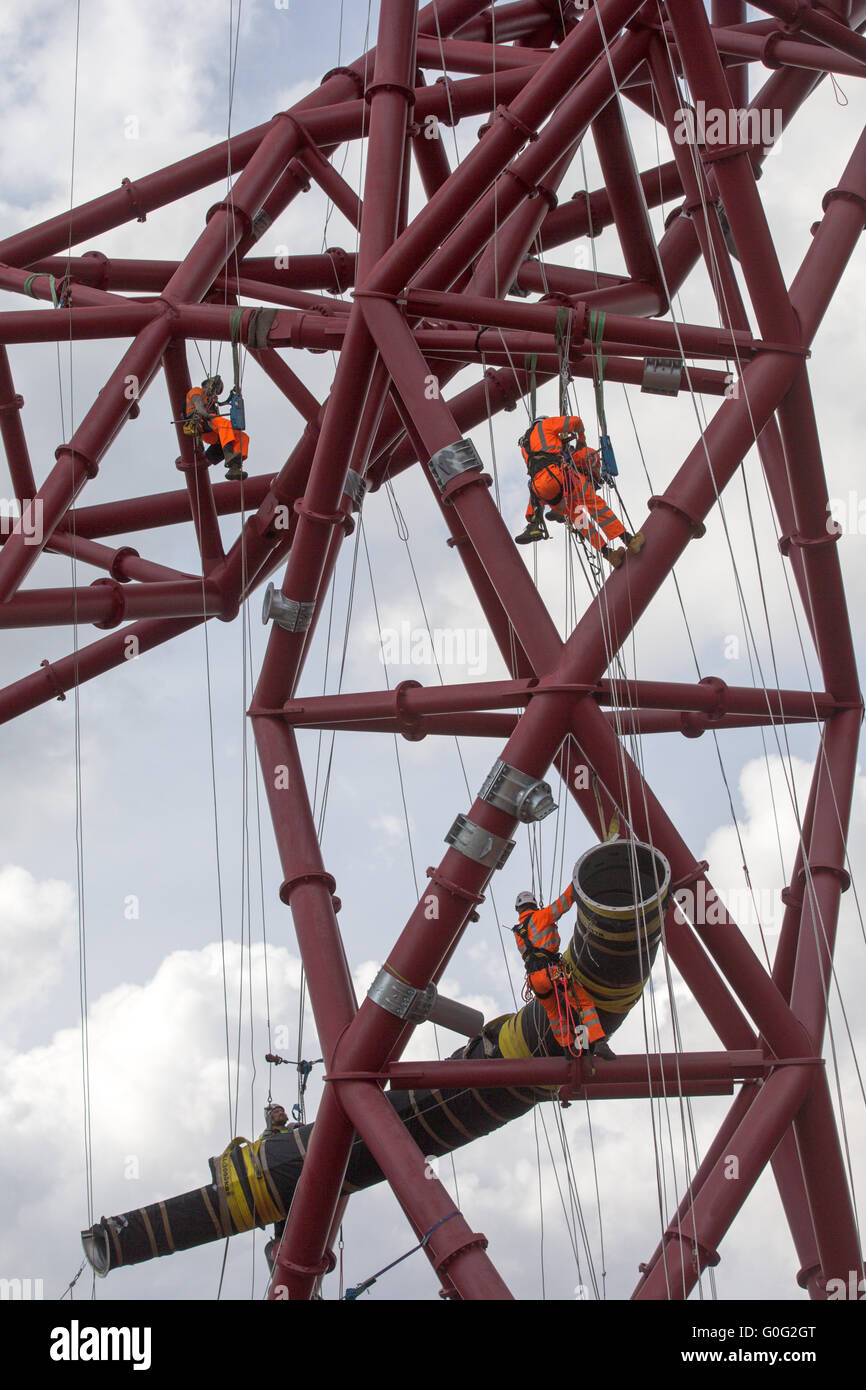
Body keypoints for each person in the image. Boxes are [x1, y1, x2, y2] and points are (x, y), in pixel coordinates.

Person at [514, 414, 643, 567]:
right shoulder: (545, 425)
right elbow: (576, 422)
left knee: (579, 518)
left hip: (542, 490)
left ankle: (609, 554)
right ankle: (629, 540)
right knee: (594, 503)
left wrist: (532, 518)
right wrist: (581, 440)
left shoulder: (525, 447)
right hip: (559, 475)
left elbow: (543, 454)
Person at [513, 886, 616, 1059]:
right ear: (534, 905)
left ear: (518, 910)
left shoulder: (518, 932)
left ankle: (568, 1048)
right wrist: (576, 883)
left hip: (534, 981)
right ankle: (599, 1042)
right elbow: (564, 902)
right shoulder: (541, 916)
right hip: (552, 972)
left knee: (555, 1015)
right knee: (582, 1002)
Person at [184, 375, 249, 481]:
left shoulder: (211, 402)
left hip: (213, 430)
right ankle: (228, 455)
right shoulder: (197, 391)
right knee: (224, 424)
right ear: (206, 385)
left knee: (242, 436)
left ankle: (235, 467)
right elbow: (198, 405)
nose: (215, 394)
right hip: (200, 422)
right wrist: (206, 414)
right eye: (215, 390)